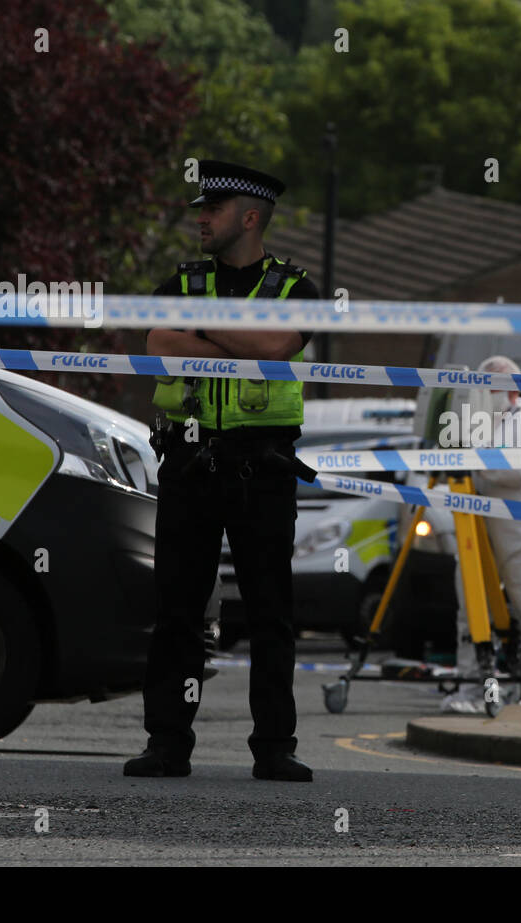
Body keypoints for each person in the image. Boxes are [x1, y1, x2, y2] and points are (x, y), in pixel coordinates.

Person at [124, 160, 319, 780]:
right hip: (190, 460)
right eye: (200, 209)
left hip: (263, 468)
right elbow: (159, 347)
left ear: (251, 216)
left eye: (213, 208)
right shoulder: (180, 281)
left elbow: (276, 348)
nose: (201, 219)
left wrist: (202, 329)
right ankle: (167, 744)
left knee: (270, 612)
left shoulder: (295, 288)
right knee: (177, 609)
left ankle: (274, 748)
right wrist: (238, 337)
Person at [441, 356, 521, 713]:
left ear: (512, 389)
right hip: (478, 524)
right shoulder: (478, 422)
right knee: (470, 607)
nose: (485, 395)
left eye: (491, 388)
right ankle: (471, 686)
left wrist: (475, 457)